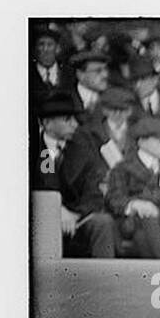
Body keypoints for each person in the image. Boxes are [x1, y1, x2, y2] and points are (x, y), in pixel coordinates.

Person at [32, 91, 117, 258]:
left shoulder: (82, 147)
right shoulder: (34, 149)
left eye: (74, 119)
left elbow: (94, 192)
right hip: (42, 221)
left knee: (103, 222)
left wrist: (73, 215)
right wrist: (57, 210)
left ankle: (106, 280)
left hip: (78, 221)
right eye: (67, 120)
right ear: (47, 123)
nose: (75, 125)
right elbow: (44, 185)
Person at [105, 116, 160, 258]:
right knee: (146, 218)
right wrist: (136, 204)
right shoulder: (123, 168)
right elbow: (114, 199)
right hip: (130, 222)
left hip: (158, 226)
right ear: (142, 142)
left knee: (143, 237)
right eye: (159, 140)